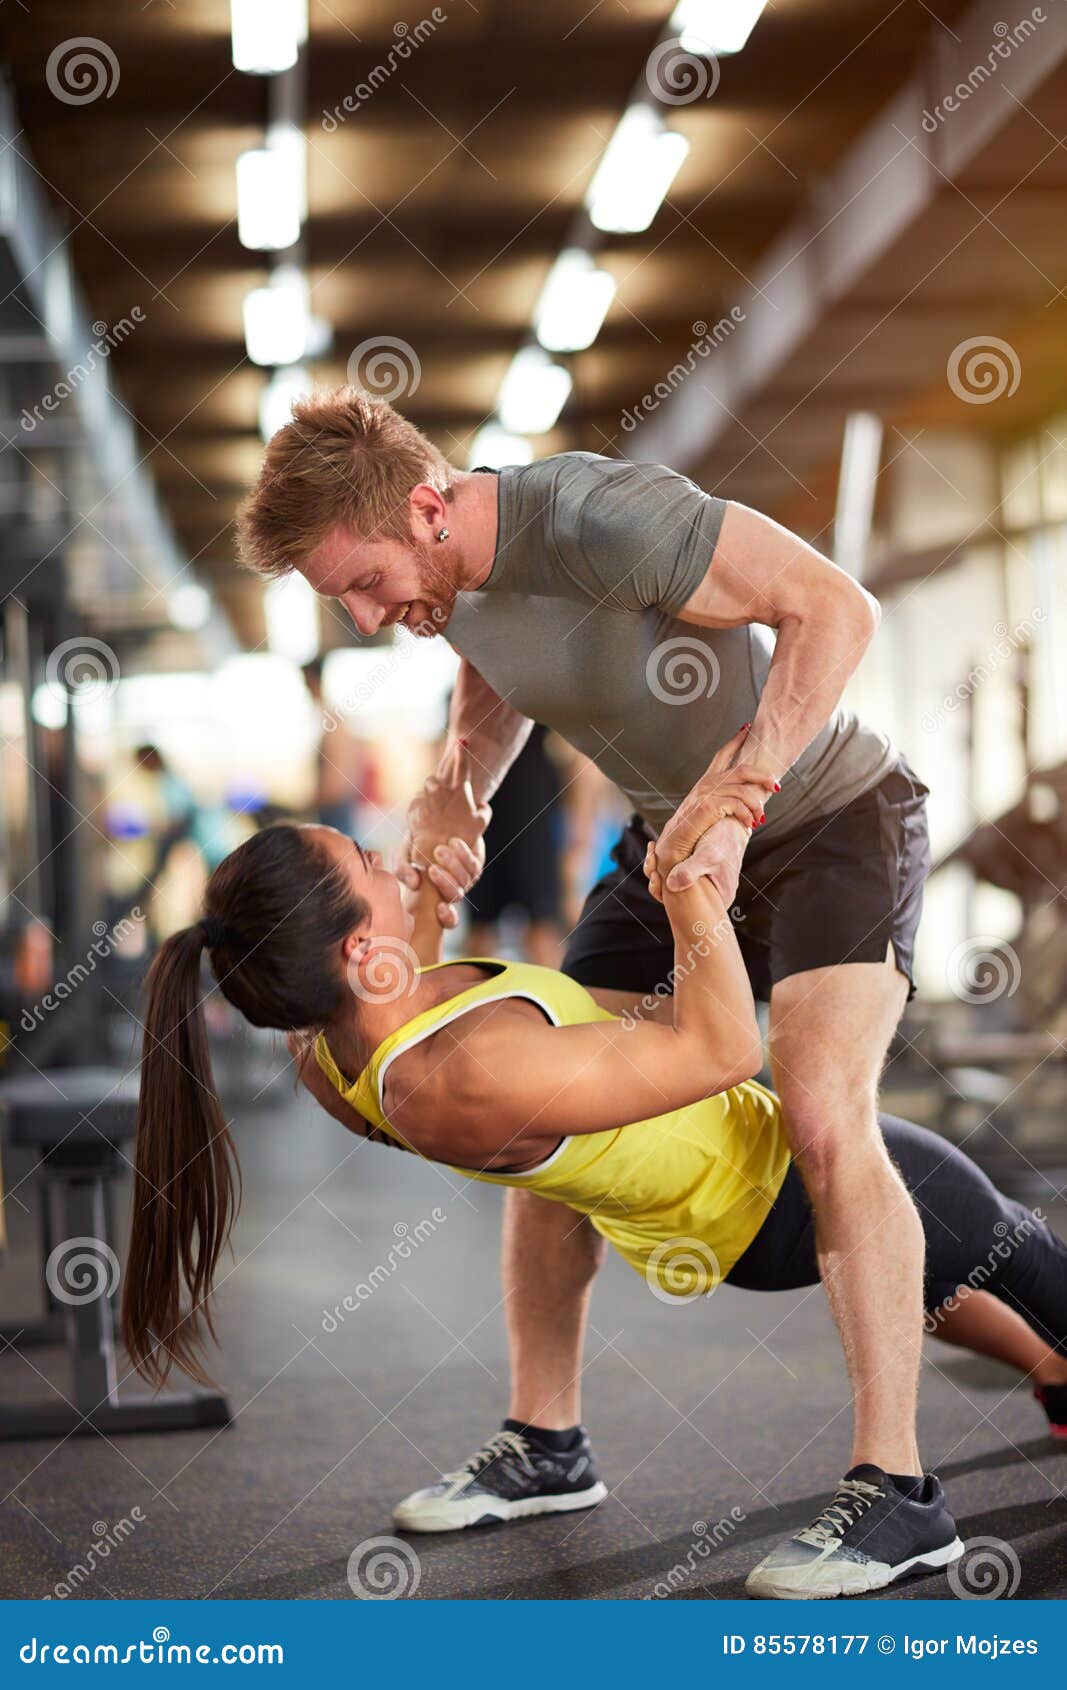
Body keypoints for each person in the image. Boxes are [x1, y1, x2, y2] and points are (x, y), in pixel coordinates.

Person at [237, 389, 933, 1579]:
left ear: (425, 508)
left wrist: (742, 796)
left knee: (821, 1113)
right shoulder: (448, 584)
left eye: (364, 584)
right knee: (542, 1107)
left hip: (830, 820)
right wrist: (461, 782)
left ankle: (898, 1489)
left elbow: (833, 606)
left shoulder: (599, 518)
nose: (364, 618)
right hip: (671, 843)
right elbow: (495, 664)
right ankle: (546, 1441)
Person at [123, 759, 1067, 1601]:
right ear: (358, 952)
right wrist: (689, 887)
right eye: (368, 864)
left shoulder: (328, 1059)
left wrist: (432, 888)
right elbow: (726, 1050)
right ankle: (910, 1498)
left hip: (692, 1223)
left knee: (941, 1275)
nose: (386, 859)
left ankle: (1053, 1376)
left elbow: (402, 1008)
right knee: (1014, 1252)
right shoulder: (471, 1071)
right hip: (767, 1189)